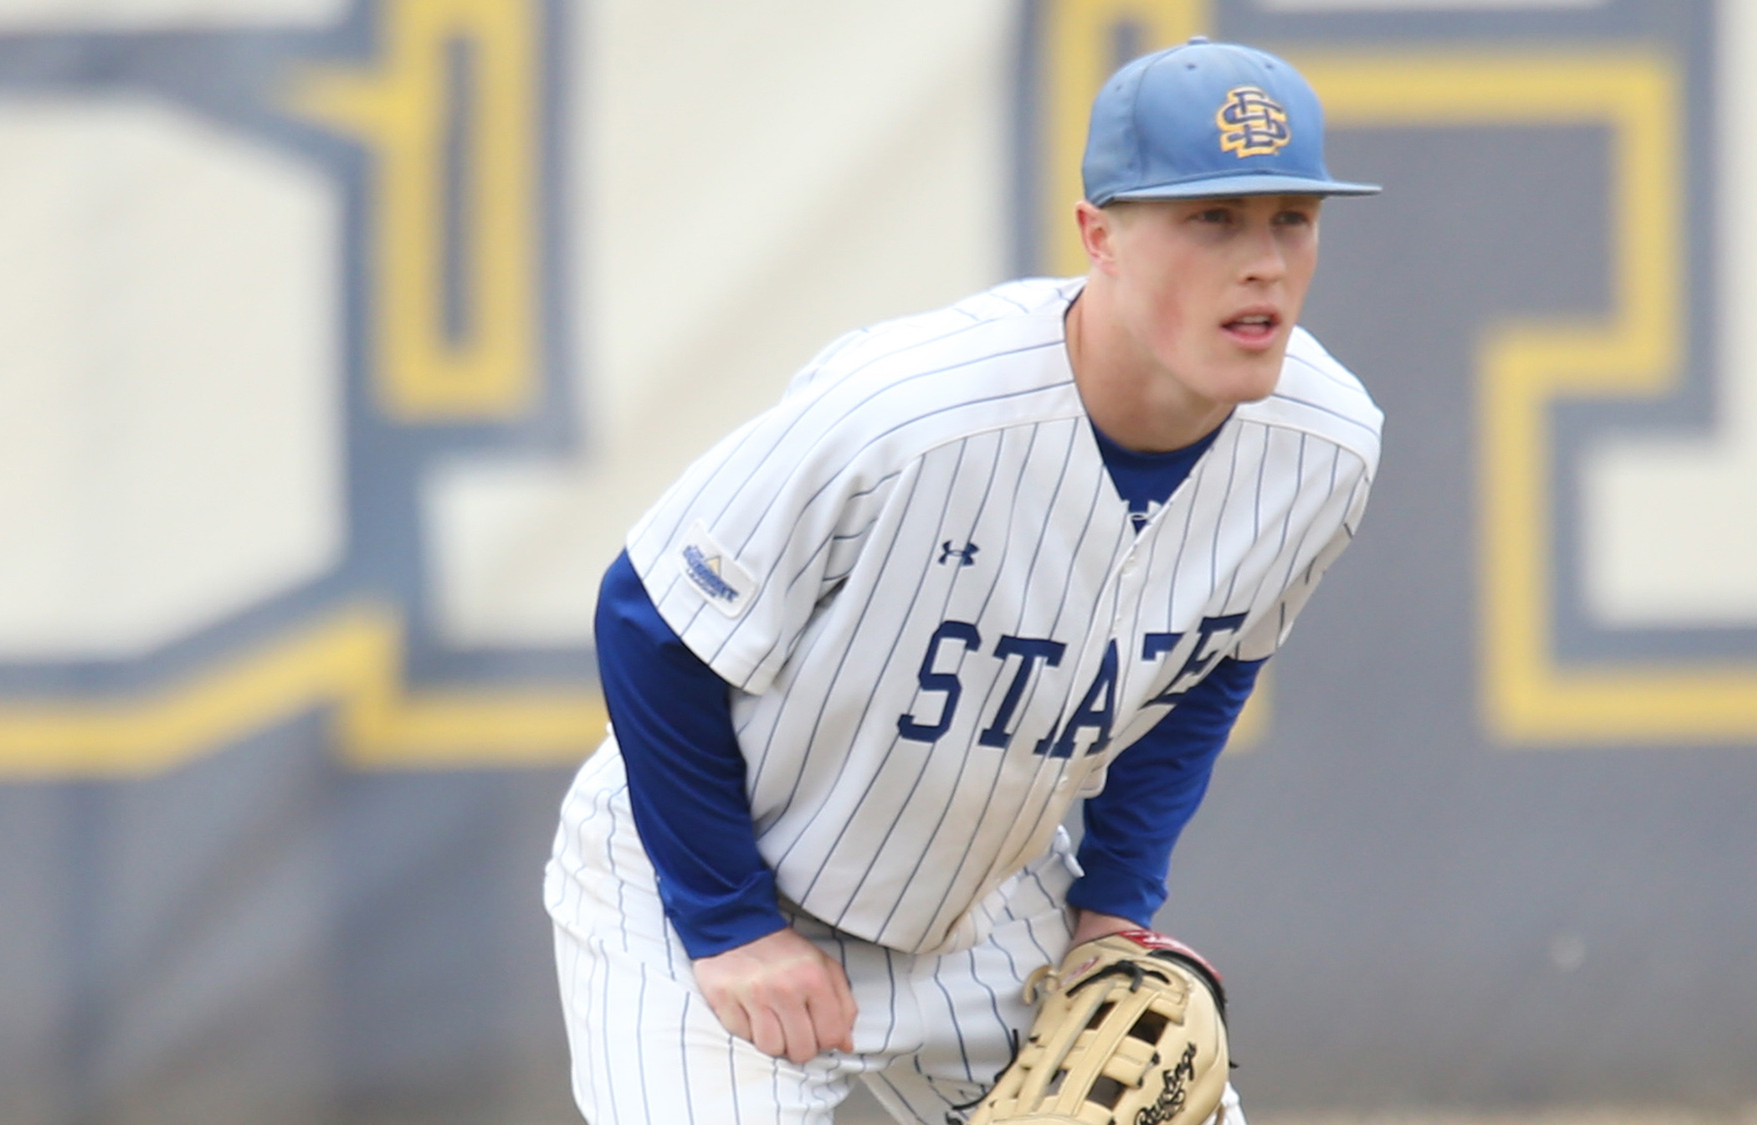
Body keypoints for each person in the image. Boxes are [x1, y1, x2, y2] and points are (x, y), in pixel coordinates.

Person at [545, 36, 1381, 1125]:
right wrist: (730, 925)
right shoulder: (912, 412)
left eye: (1289, 219)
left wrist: (1114, 909)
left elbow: (1208, 674)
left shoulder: (1323, 445)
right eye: (1209, 219)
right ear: (1100, 238)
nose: (1261, 262)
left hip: (980, 905)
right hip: (703, 870)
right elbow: (648, 619)